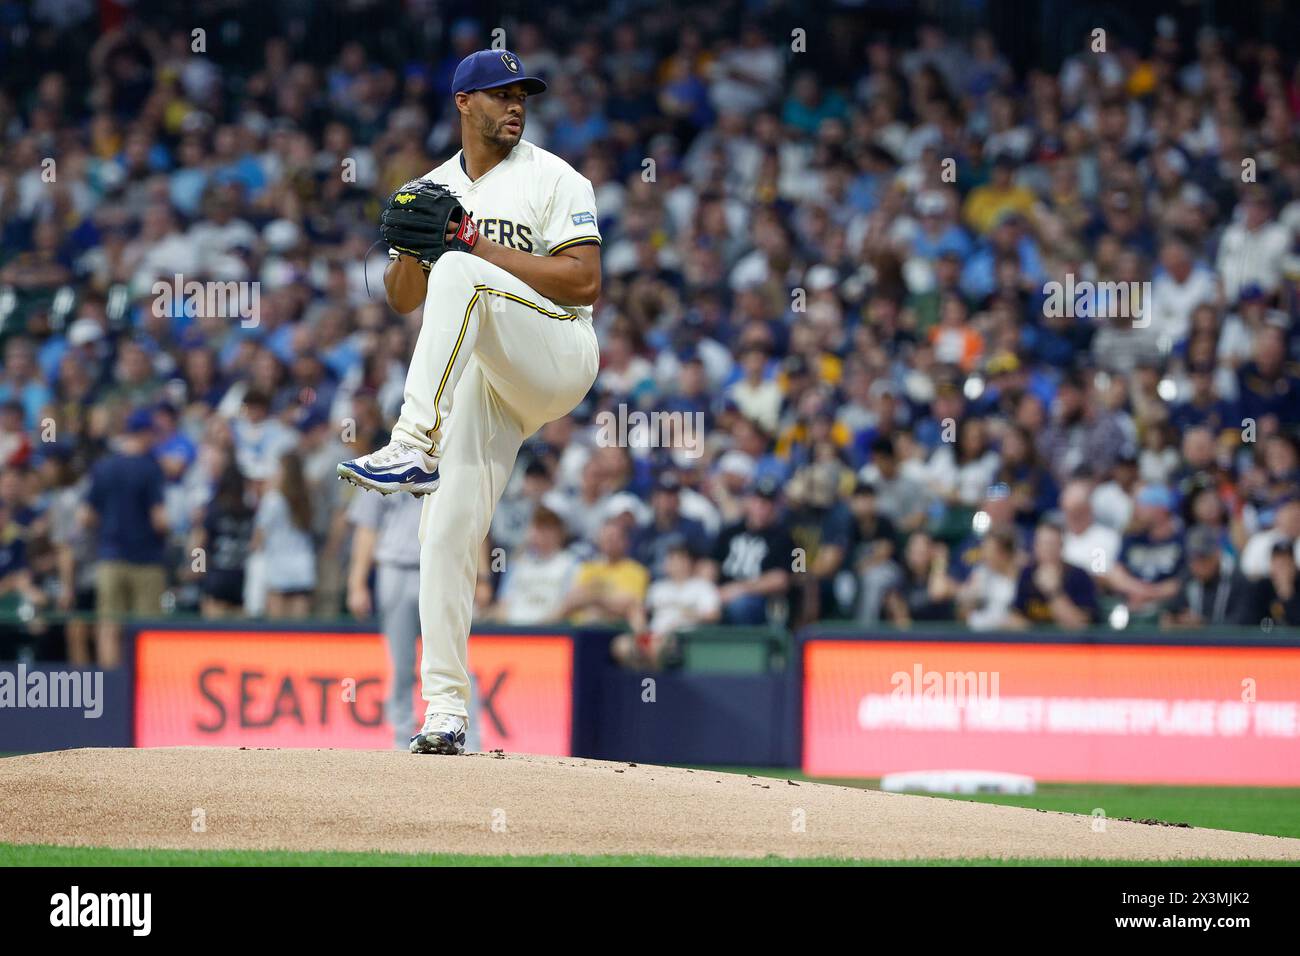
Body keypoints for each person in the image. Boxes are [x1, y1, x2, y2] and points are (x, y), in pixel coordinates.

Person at [336, 49, 601, 756]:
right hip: (488, 381)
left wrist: (473, 246)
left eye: (523, 95)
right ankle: (447, 712)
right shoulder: (432, 186)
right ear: (463, 103)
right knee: (444, 535)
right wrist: (406, 250)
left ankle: (412, 442)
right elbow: (403, 300)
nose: (515, 105)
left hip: (556, 351)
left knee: (464, 268)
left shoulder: (554, 178)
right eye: (499, 94)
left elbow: (583, 282)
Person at [79, 408, 169, 667]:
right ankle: (145, 686)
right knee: (148, 629)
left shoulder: (104, 467)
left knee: (109, 626)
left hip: (111, 557)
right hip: (146, 560)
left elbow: (85, 516)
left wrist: (110, 523)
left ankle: (109, 688)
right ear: (145, 434)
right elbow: (159, 519)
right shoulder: (150, 469)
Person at [346, 489, 425, 749]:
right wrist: (357, 583)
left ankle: (466, 735)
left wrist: (480, 576)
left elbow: (470, 521)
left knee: (453, 658)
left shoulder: (447, 461)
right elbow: (367, 529)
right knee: (402, 664)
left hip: (438, 568)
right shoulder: (381, 465)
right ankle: (403, 737)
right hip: (393, 568)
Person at [707, 477, 794, 625]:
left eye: (768, 503)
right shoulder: (730, 532)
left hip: (758, 599)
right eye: (757, 501)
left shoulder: (784, 538)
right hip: (722, 592)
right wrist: (706, 589)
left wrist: (738, 589)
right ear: (748, 502)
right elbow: (710, 564)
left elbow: (781, 579)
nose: (762, 507)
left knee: (741, 605)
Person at [251, 451, 316, 619]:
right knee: (301, 633)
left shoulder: (273, 499)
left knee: (278, 632)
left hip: (278, 568)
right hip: (303, 567)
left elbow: (259, 537)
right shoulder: (306, 498)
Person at [1007, 522, 1097, 629]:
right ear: (1035, 547)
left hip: (1069, 642)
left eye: (1052, 544)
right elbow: (1015, 617)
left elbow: (1080, 624)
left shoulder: (1079, 576)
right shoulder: (1027, 574)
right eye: (1043, 544)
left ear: (1062, 547)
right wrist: (1037, 633)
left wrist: (1054, 592)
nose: (1048, 549)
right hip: (1037, 643)